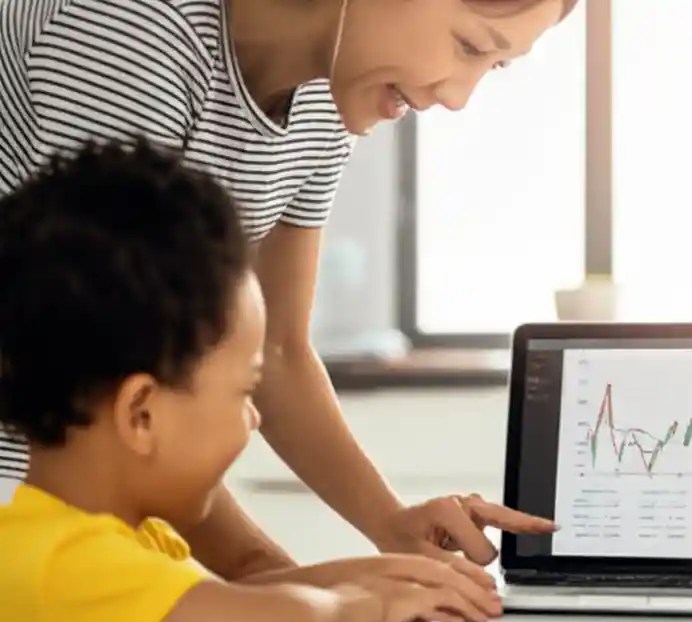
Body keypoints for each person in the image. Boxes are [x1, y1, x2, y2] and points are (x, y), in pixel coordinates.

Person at [0, 0, 576, 588]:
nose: (458, 97)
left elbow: (277, 349)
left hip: (79, 497)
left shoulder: (328, 99)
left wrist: (391, 524)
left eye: (496, 67)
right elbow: (100, 382)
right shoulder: (134, 30)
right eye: (471, 47)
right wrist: (280, 584)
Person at [0, 138, 508, 622]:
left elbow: (238, 602)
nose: (256, 417)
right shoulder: (65, 567)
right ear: (141, 414)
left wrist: (403, 575)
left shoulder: (125, 542)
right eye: (245, 391)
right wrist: (372, 605)